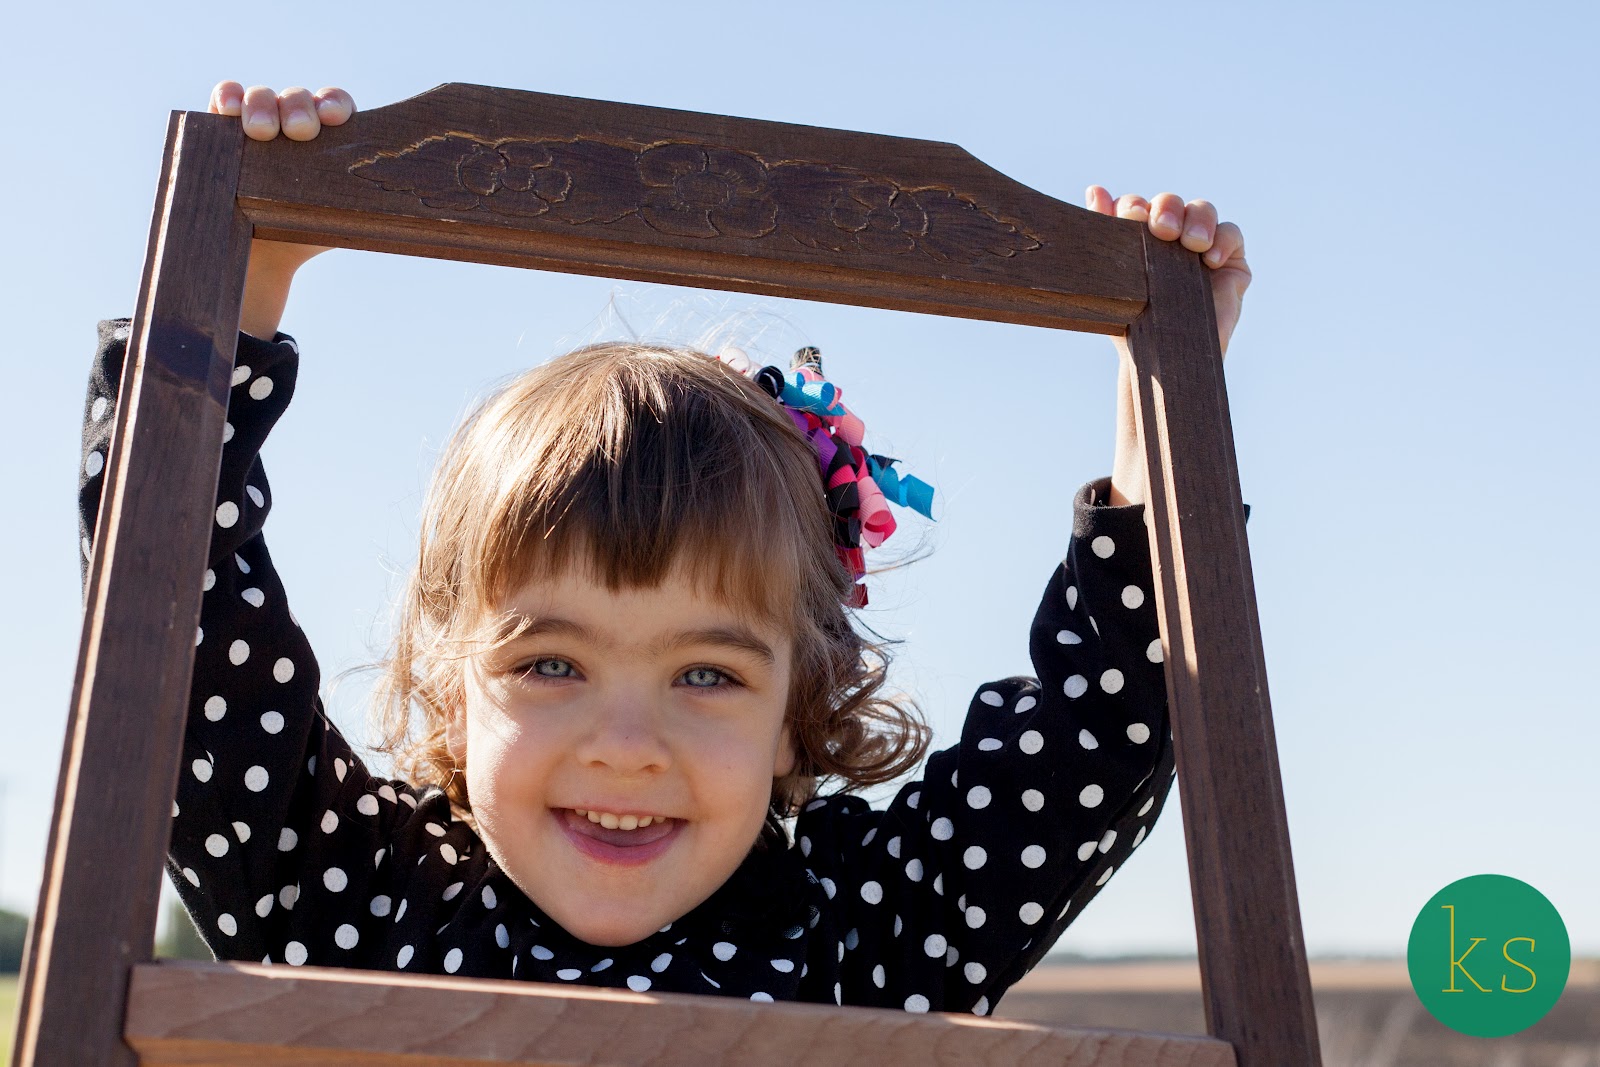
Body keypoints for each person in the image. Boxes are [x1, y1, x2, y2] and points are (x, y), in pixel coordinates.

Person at [77, 81, 1251, 1015]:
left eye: (706, 673)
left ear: (801, 705)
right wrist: (239, 283)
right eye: (550, 664)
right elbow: (174, 626)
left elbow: (1100, 726)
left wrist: (1165, 420)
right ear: (449, 687)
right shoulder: (367, 907)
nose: (626, 748)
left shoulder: (866, 932)